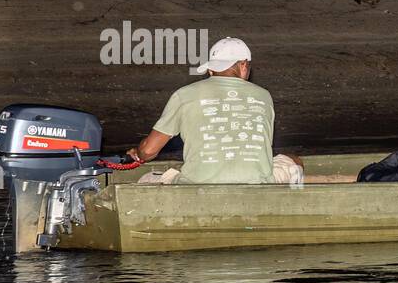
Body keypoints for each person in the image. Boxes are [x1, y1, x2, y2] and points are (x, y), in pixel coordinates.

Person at [127, 36, 302, 185]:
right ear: (243, 65)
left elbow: (148, 151)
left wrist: (139, 153)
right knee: (294, 161)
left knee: (147, 178)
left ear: (211, 69)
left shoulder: (185, 95)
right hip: (256, 186)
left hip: (197, 186)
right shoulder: (264, 96)